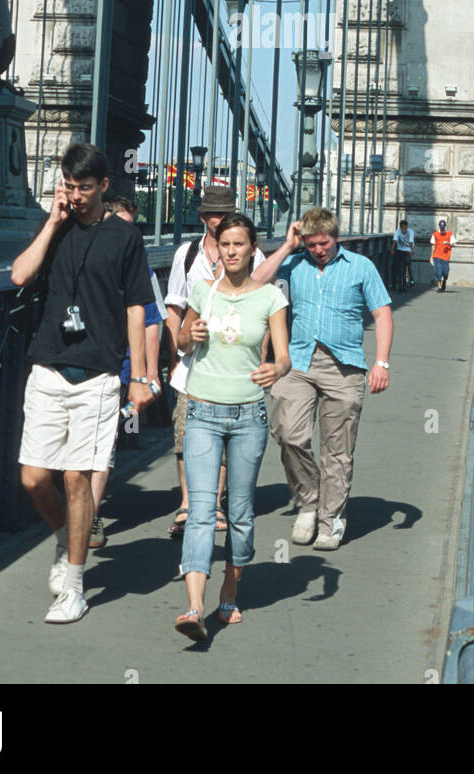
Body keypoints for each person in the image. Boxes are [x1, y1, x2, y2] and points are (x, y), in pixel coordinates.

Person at [11, 143, 155, 624]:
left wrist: (139, 376)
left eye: (84, 188)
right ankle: (64, 536)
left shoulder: (124, 238)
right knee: (33, 478)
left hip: (97, 374)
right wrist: (52, 222)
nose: (74, 196)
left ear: (104, 186)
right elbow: (19, 275)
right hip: (48, 366)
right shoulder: (56, 226)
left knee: (76, 478)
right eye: (68, 186)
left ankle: (74, 585)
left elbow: (137, 307)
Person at [175, 213, 290, 641]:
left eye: (240, 244)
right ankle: (193, 607)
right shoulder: (202, 291)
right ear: (217, 249)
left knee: (240, 515)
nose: (232, 251)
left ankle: (229, 587)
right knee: (202, 513)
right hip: (202, 411)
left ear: (252, 248)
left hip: (248, 417)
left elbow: (284, 358)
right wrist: (191, 335)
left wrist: (273, 371)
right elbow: (181, 341)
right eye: (225, 245)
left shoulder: (271, 298)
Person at [253, 207, 392, 551]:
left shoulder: (361, 267)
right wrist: (287, 247)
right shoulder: (294, 263)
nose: (318, 249)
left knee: (337, 449)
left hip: (343, 366)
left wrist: (382, 363)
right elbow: (254, 283)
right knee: (288, 434)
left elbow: (382, 313)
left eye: (324, 242)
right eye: (312, 244)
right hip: (297, 361)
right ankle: (308, 502)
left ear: (336, 237)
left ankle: (331, 520)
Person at [164, 186, 265, 539]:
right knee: (184, 431)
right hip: (191, 362)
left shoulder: (254, 256)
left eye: (222, 215)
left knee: (221, 434)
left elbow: (266, 307)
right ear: (203, 216)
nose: (216, 220)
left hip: (234, 364)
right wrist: (177, 353)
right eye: (210, 214)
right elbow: (174, 308)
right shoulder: (186, 255)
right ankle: (189, 503)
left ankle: (216, 502)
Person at [88, 195, 165, 549]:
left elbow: (151, 323)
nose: (127, 237)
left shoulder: (143, 271)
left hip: (117, 373)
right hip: (78, 366)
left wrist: (148, 373)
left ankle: (88, 517)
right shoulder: (82, 255)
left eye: (132, 229)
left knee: (101, 448)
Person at [431, 218, 455, 292]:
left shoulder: (449, 234)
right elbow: (433, 245)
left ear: (445, 226)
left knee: (445, 272)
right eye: (441, 227)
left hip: (446, 257)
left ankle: (444, 281)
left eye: (443, 227)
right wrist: (431, 256)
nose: (442, 229)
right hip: (437, 256)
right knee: (438, 271)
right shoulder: (435, 234)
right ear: (439, 226)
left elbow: (453, 244)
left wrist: (448, 243)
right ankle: (439, 286)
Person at [390, 218, 415, 291]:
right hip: (399, 249)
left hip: (408, 249)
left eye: (406, 228)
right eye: (403, 228)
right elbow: (395, 240)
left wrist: (412, 250)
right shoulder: (397, 232)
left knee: (408, 264)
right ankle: (393, 282)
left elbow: (411, 241)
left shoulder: (410, 232)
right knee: (393, 265)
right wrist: (392, 249)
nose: (405, 230)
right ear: (400, 228)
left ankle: (411, 279)